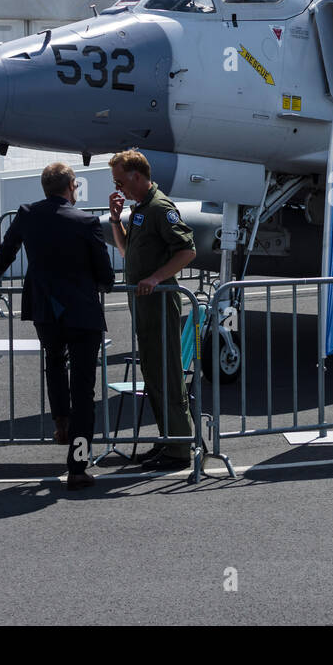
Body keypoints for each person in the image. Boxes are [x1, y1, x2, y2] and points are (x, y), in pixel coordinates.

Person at [0, 162, 114, 490]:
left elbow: (6, 251)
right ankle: (78, 465)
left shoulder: (26, 214)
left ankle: (60, 422)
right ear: (72, 186)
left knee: (54, 363)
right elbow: (106, 277)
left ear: (44, 187)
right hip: (82, 311)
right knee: (84, 390)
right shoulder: (86, 221)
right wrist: (102, 282)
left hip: (44, 309)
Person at [107, 150, 196, 471]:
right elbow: (126, 250)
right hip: (144, 305)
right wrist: (116, 219)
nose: (118, 187)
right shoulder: (141, 209)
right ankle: (169, 438)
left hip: (159, 303)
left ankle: (179, 447)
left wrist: (157, 277)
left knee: (167, 374)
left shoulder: (160, 208)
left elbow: (187, 250)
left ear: (137, 176)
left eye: (120, 181)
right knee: (153, 373)